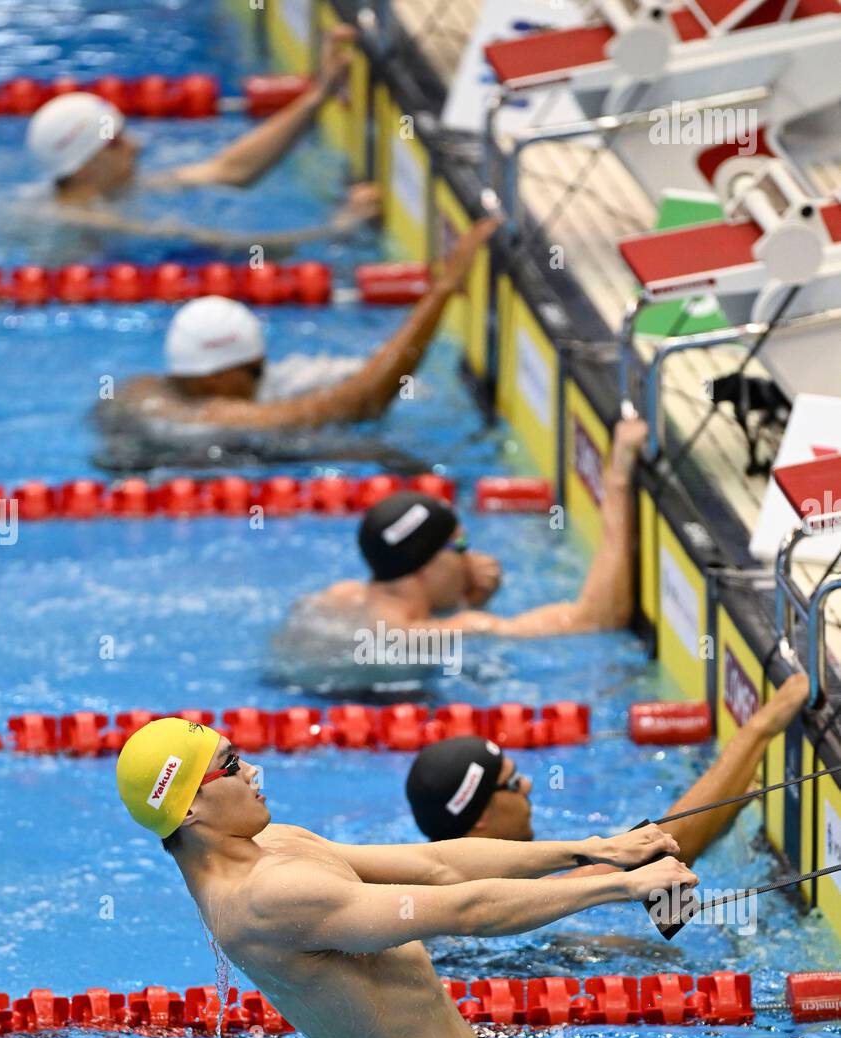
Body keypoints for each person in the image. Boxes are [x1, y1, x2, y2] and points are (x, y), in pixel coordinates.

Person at [115, 716, 717, 1038]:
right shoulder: (263, 902)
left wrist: (596, 849)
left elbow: (438, 867)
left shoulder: (274, 845)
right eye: (229, 766)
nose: (252, 770)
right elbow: (465, 909)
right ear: (189, 809)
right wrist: (616, 886)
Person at [271, 417, 644, 689]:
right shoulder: (456, 632)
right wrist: (619, 478)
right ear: (426, 566)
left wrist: (468, 599)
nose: (472, 557)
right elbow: (598, 618)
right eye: (461, 547)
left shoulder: (337, 599)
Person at [99, 217, 500, 446]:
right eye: (255, 371)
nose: (264, 375)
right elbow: (361, 404)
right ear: (217, 377)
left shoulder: (138, 392)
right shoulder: (220, 419)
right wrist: (443, 289)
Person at [23, 26, 377, 255]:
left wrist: (318, 96)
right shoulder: (93, 221)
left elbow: (228, 170)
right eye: (116, 141)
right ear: (84, 166)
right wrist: (340, 229)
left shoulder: (112, 193)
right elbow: (231, 248)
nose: (137, 145)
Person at [405, 674, 810, 861]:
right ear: (480, 818)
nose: (527, 785)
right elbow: (658, 852)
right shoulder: (487, 894)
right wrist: (760, 729)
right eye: (512, 782)